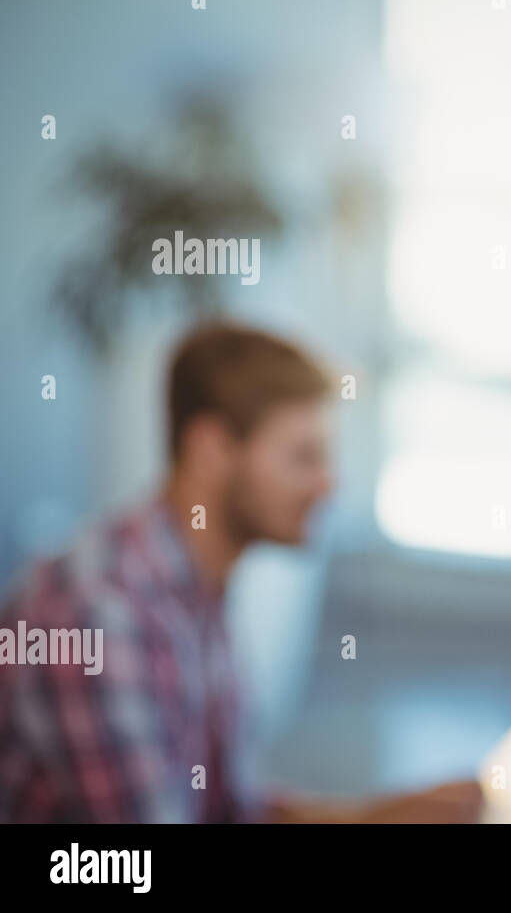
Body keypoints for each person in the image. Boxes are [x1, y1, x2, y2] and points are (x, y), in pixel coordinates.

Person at [0, 320, 482, 823]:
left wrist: (373, 819)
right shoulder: (98, 613)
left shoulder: (196, 588)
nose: (327, 485)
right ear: (211, 450)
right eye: (303, 457)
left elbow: (226, 810)